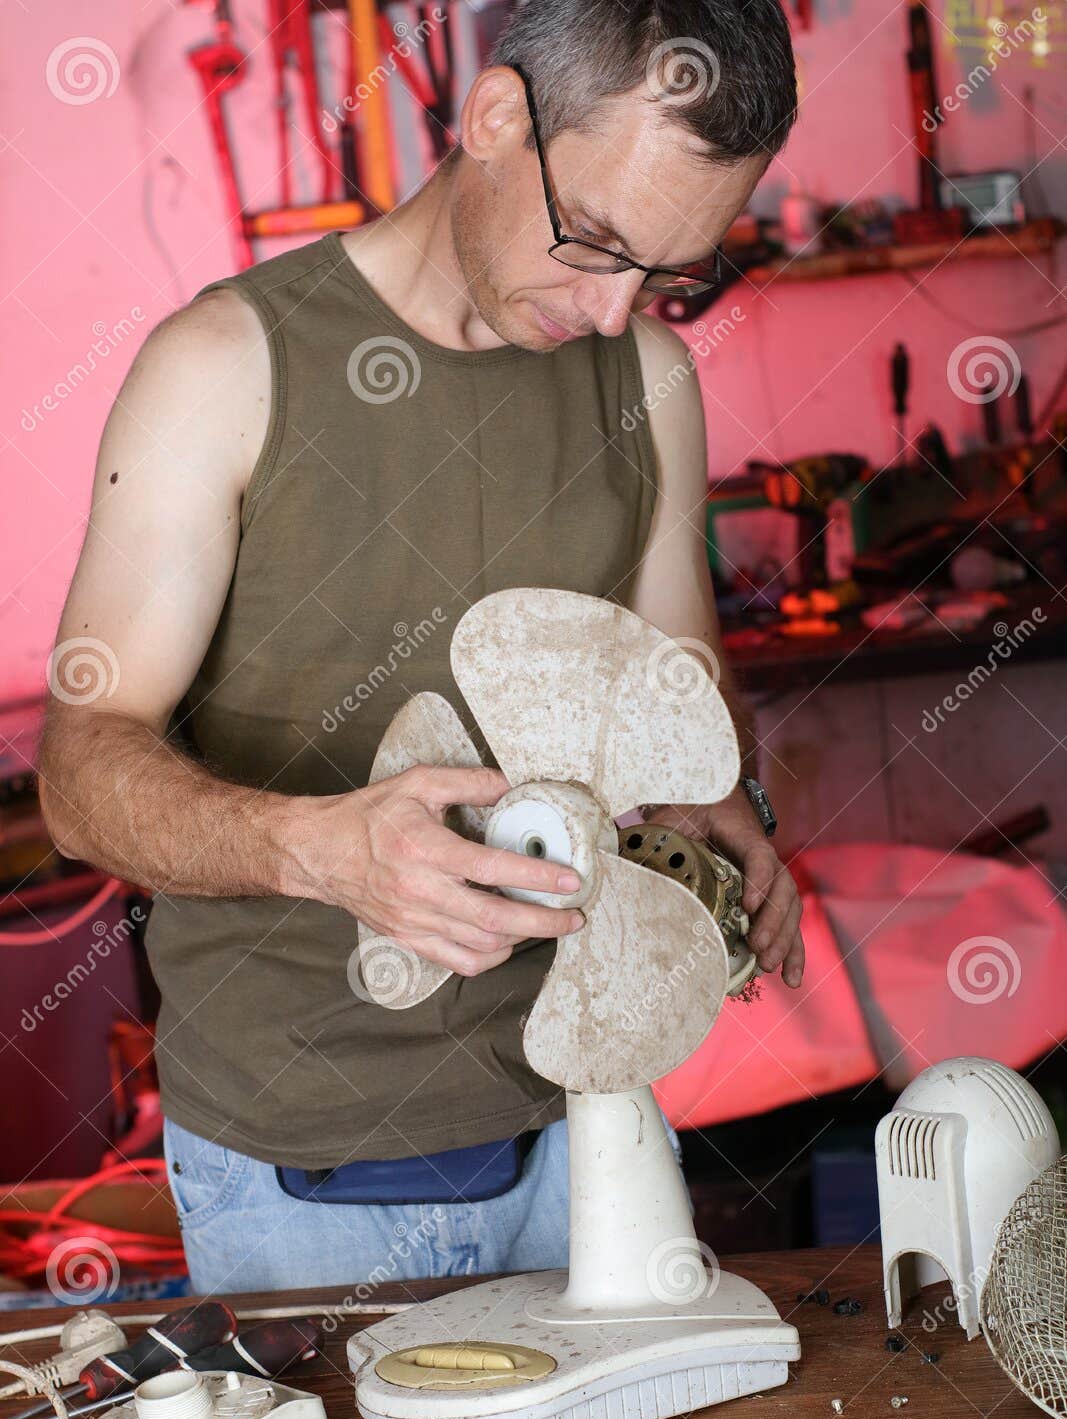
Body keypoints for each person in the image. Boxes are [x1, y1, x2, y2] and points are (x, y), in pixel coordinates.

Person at [38, 0, 804, 1294]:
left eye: (669, 274)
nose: (616, 312)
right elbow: (76, 775)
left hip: (593, 1111)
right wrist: (320, 849)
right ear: (496, 117)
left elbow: (671, 687)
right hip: (309, 1165)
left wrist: (718, 810)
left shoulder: (650, 383)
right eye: (596, 243)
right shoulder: (224, 367)